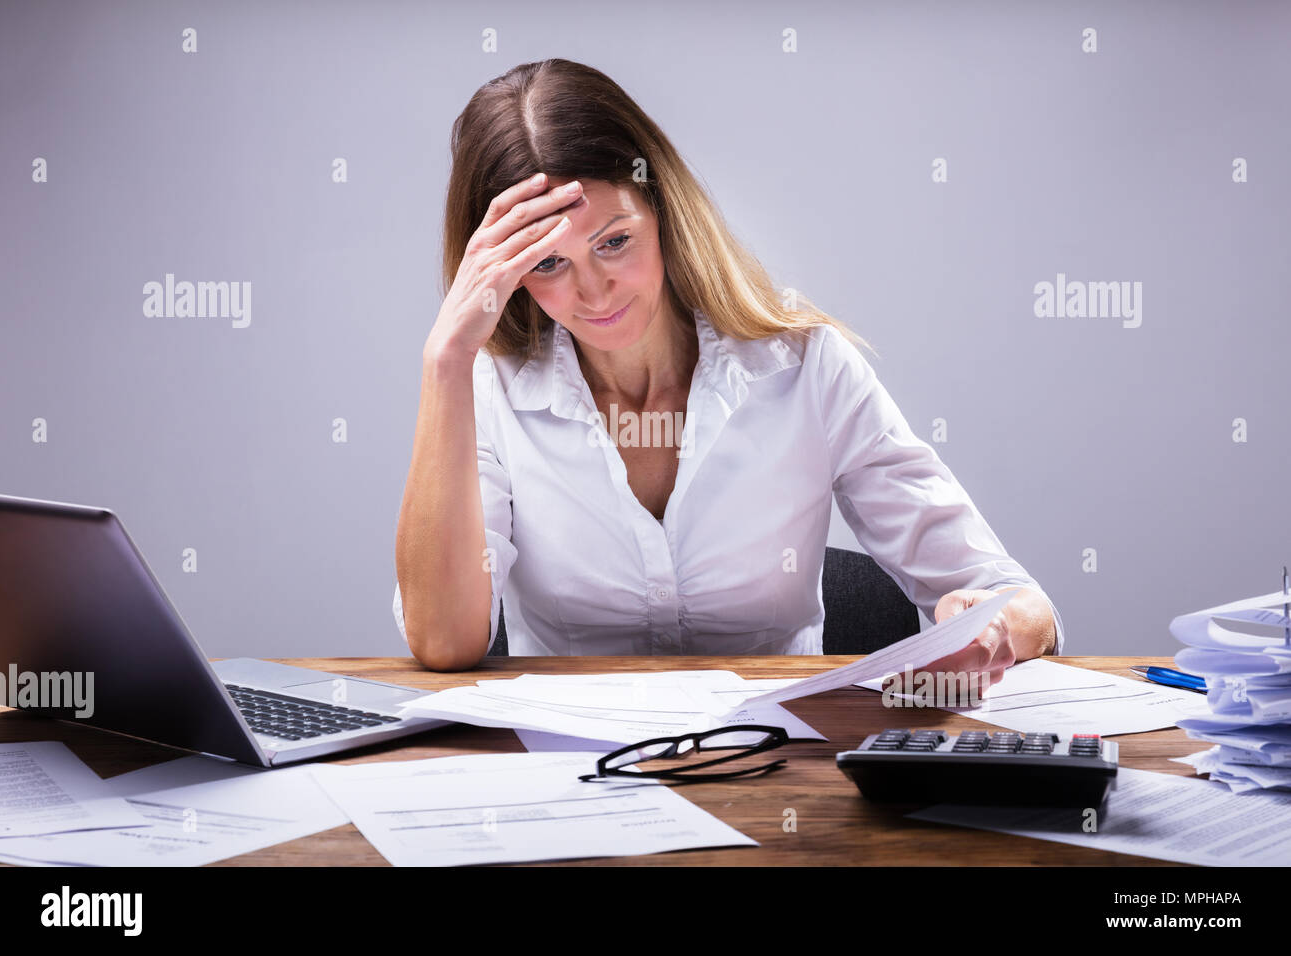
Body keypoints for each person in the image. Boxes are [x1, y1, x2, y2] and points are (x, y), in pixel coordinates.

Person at [394, 58, 1063, 682]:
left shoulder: (809, 369)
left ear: (664, 211)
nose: (595, 292)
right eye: (547, 263)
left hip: (776, 779)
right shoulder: (488, 390)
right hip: (572, 782)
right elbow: (444, 642)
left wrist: (994, 625)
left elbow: (1017, 599)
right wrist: (445, 361)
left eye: (615, 242)